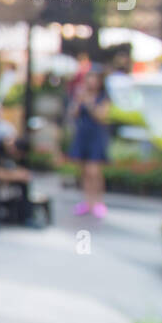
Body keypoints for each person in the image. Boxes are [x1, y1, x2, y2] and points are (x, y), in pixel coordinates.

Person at [67, 68, 111, 218]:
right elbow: (73, 113)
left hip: (96, 135)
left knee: (94, 171)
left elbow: (101, 116)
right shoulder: (81, 94)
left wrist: (90, 103)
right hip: (83, 134)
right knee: (84, 171)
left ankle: (98, 202)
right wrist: (78, 101)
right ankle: (87, 202)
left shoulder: (103, 97)